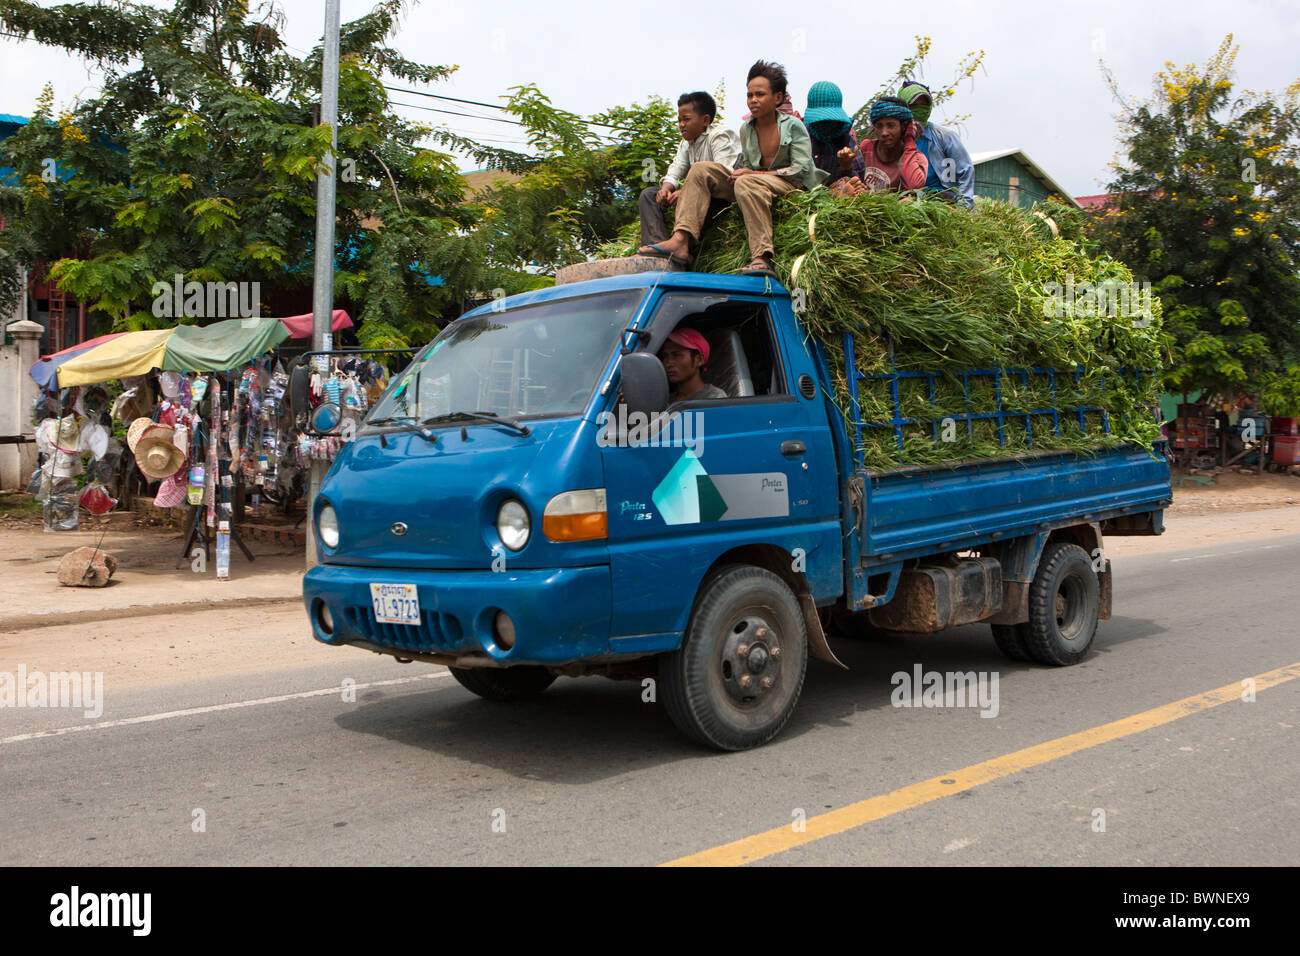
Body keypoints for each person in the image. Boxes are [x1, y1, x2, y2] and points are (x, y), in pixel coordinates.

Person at [636, 60, 824, 277]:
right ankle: (680, 240)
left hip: (787, 183)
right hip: (751, 181)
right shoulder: (747, 129)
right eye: (749, 95)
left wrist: (753, 174)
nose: (753, 100)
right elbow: (737, 166)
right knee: (699, 169)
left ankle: (762, 256)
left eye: (760, 95)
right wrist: (673, 187)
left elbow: (799, 171)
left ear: (778, 98)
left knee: (746, 181)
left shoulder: (793, 126)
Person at [636, 91, 742, 260]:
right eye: (679, 120)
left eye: (686, 119)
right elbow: (676, 168)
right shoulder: (686, 143)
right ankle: (658, 248)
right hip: (694, 196)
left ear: (705, 120)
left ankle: (681, 243)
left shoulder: (720, 135)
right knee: (649, 195)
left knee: (700, 169)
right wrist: (666, 189)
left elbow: (724, 173)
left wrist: (687, 192)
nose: (681, 124)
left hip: (721, 198)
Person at [898, 80, 975, 209]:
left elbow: (965, 171)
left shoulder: (944, 137)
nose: (920, 110)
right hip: (906, 197)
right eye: (914, 105)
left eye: (924, 105)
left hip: (941, 198)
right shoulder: (896, 138)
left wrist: (964, 207)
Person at [835, 96, 928, 196]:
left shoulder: (917, 159)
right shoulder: (867, 148)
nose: (884, 133)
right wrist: (846, 166)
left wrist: (909, 141)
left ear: (903, 126)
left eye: (891, 126)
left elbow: (913, 187)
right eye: (879, 126)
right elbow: (853, 180)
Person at [803, 80, 858, 189]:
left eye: (830, 120)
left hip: (840, 196)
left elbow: (858, 181)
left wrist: (846, 167)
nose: (826, 125)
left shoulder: (846, 140)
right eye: (821, 121)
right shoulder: (802, 138)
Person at [660, 327, 726, 402]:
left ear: (699, 360)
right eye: (665, 356)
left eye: (677, 355)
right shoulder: (665, 402)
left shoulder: (714, 398)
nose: (668, 363)